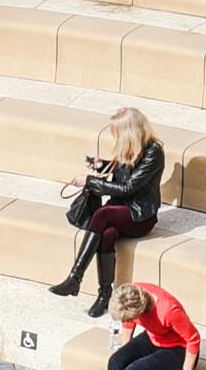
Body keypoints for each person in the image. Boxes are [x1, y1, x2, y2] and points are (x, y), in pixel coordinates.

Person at [47, 106, 167, 300]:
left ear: (130, 132)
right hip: (119, 208)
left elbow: (128, 188)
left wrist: (91, 181)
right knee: (108, 234)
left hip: (139, 217)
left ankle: (75, 278)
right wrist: (100, 164)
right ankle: (104, 296)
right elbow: (124, 172)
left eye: (118, 132)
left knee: (101, 215)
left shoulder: (153, 153)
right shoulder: (130, 147)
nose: (116, 137)